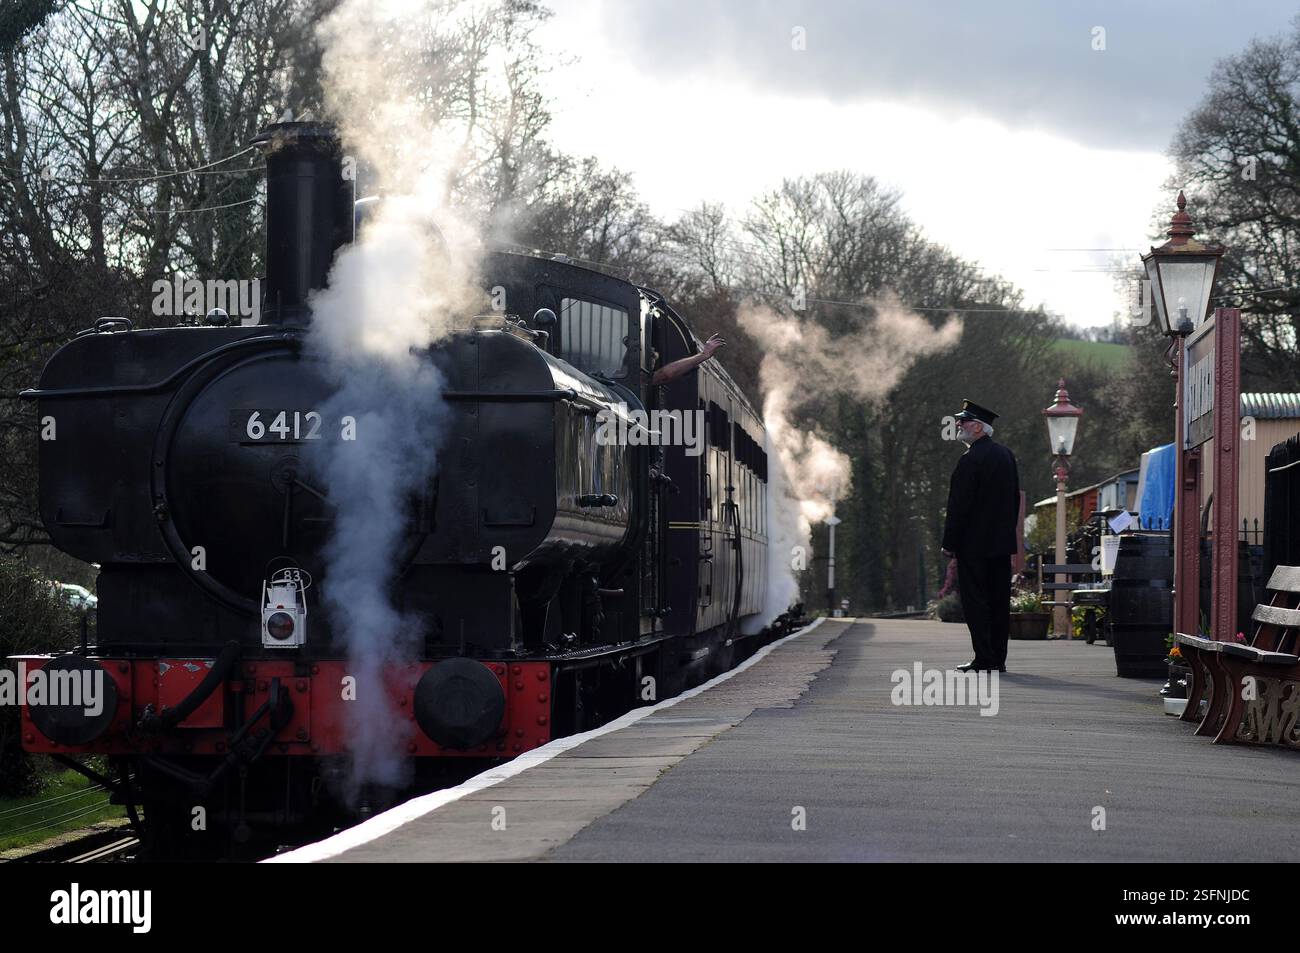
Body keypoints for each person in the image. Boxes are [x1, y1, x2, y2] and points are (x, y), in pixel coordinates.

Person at [940, 399, 1020, 673]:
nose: (959, 424)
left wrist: (949, 543)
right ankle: (998, 658)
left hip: (973, 546)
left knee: (976, 602)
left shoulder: (970, 459)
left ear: (977, 427)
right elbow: (1014, 502)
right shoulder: (1007, 456)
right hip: (1000, 545)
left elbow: (958, 506)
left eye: (964, 421)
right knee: (999, 602)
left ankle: (984, 658)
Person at [651, 333, 725, 385]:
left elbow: (665, 375)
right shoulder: (642, 379)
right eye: (652, 355)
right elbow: (665, 374)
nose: (654, 358)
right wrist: (702, 355)